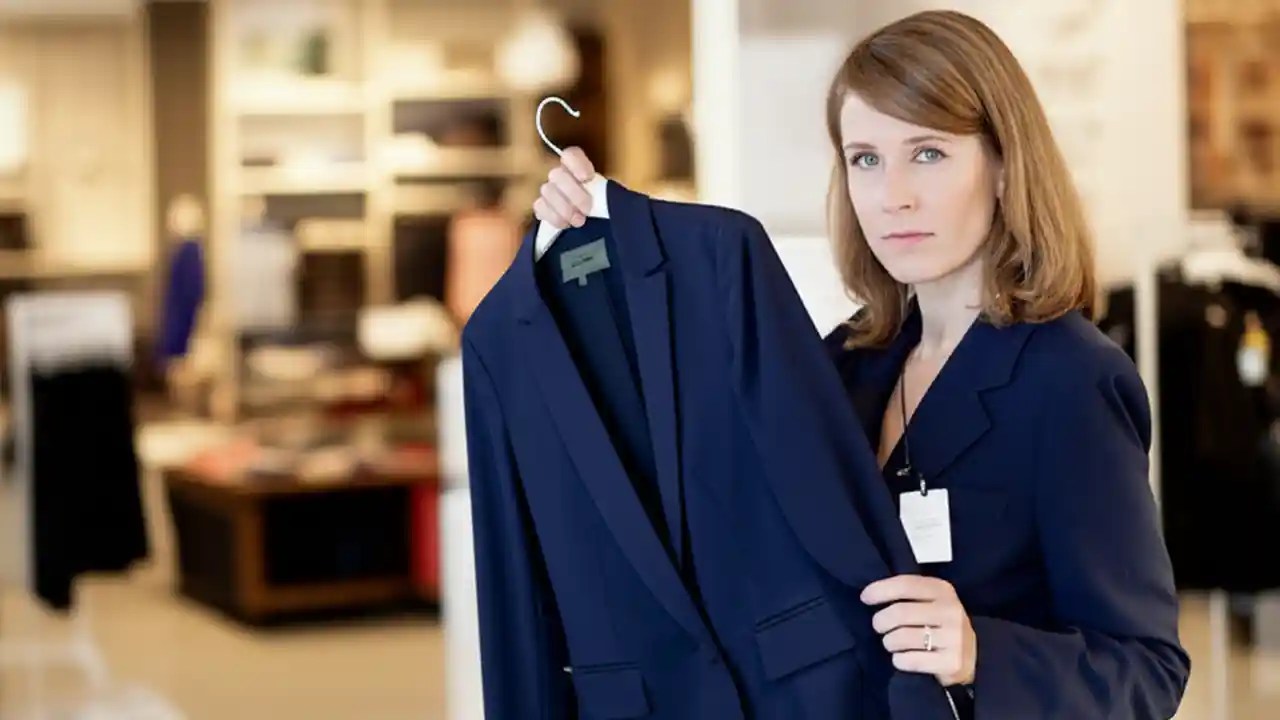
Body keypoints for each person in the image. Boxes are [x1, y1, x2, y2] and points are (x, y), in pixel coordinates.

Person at [532, 9, 1190, 718]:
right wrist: (589, 227)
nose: (892, 194)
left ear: (1004, 165)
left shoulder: (1070, 380)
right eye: (865, 159)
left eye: (929, 153)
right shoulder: (851, 359)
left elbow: (1147, 670)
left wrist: (979, 653)